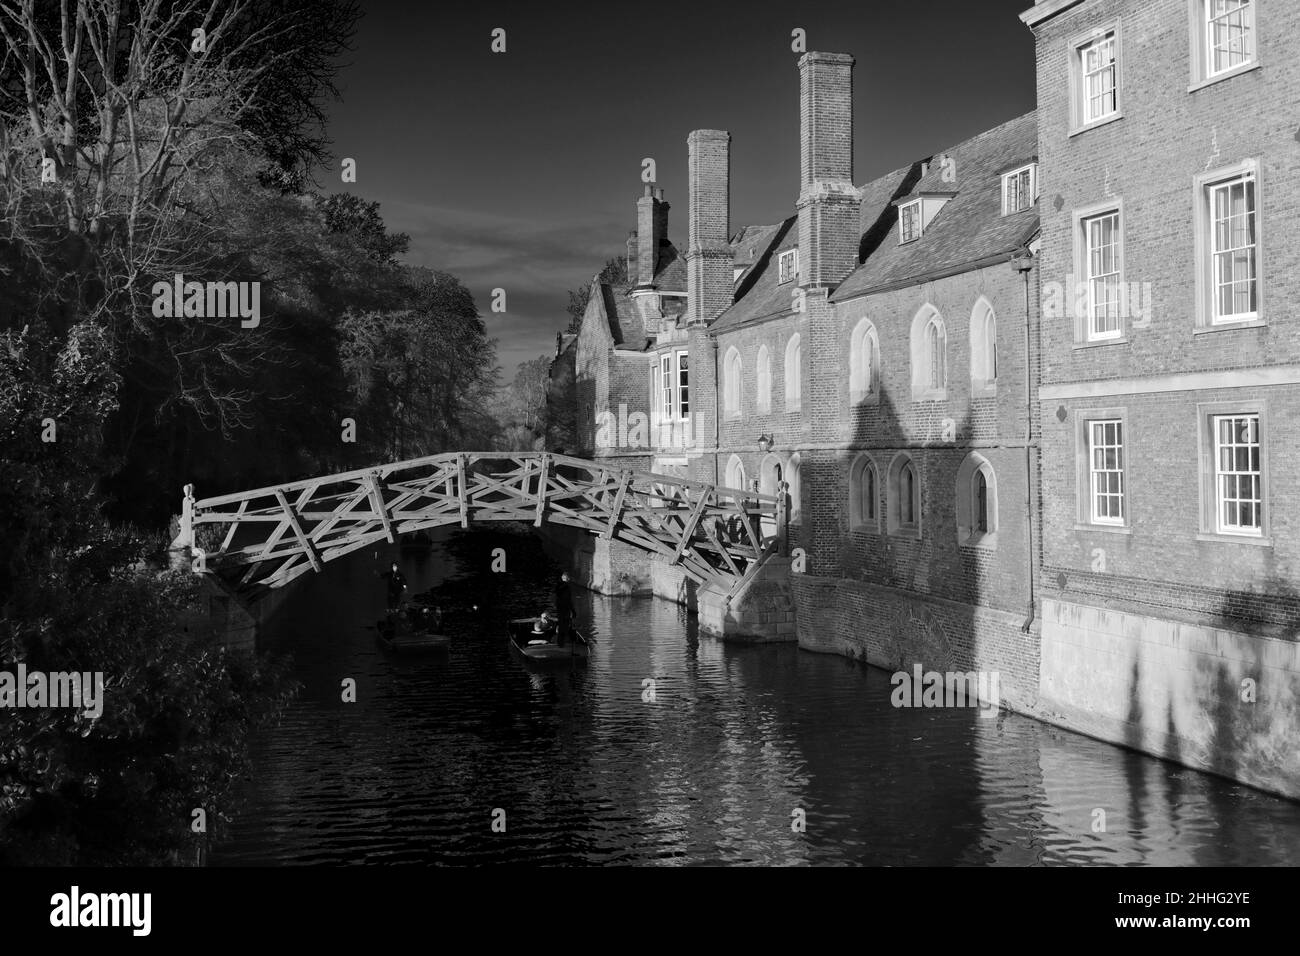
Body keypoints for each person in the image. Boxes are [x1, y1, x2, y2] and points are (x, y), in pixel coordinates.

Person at [554, 572, 576, 646]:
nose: (570, 579)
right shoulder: (567, 587)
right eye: (569, 578)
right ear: (567, 579)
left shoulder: (558, 586)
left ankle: (560, 642)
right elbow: (568, 600)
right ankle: (563, 643)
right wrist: (573, 610)